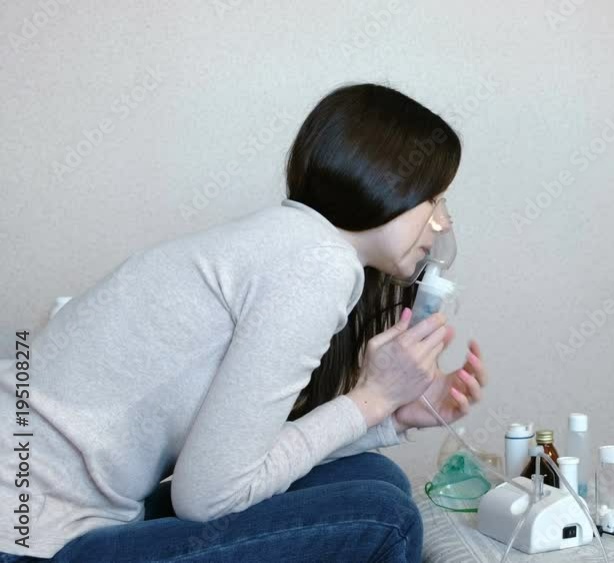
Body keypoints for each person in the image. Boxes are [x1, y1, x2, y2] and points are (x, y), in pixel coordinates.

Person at [0, 82, 489, 562]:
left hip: (52, 518)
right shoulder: (317, 264)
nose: (443, 222)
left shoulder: (292, 243)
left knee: (375, 478)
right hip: (28, 539)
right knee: (385, 518)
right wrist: (372, 399)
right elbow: (208, 498)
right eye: (435, 198)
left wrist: (390, 417)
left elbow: (231, 467)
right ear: (385, 179)